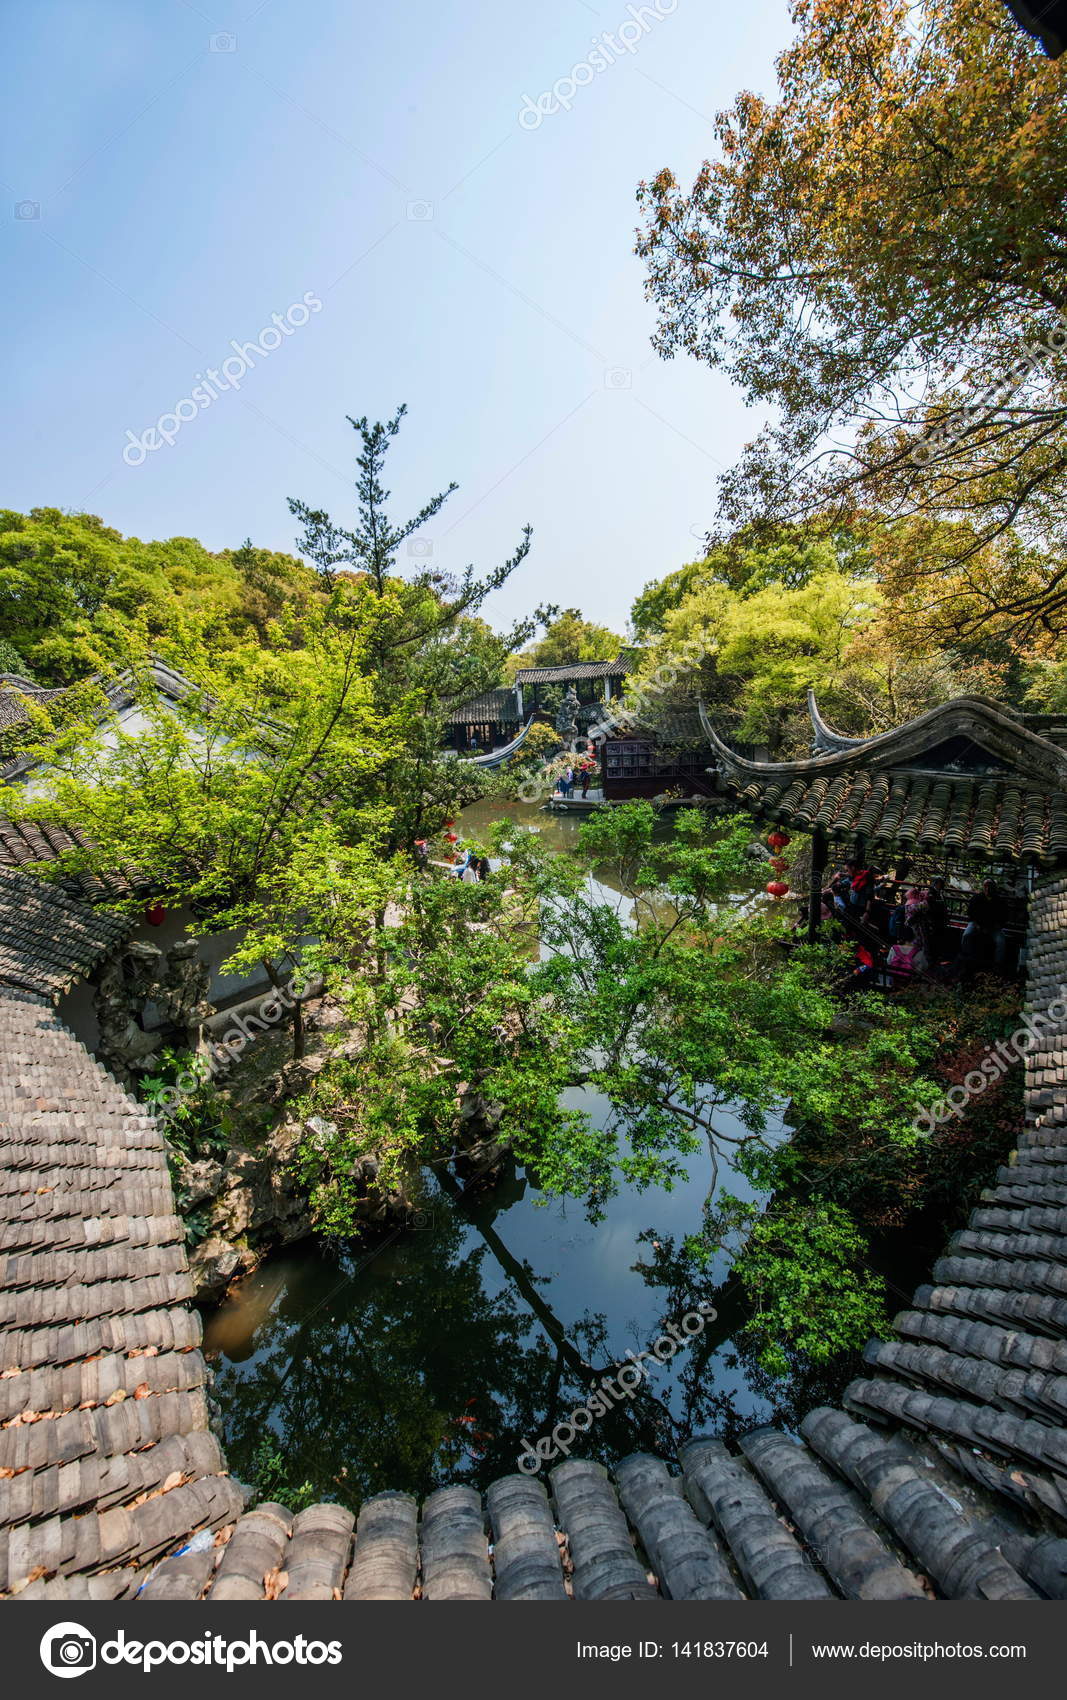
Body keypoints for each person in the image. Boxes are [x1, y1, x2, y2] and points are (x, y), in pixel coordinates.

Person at [961, 877, 1008, 968]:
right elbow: (971, 913)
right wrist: (977, 925)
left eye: (990, 886)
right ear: (983, 887)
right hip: (977, 924)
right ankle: (965, 956)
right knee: (966, 935)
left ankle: (997, 964)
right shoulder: (977, 898)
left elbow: (1004, 917)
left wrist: (996, 926)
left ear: (994, 887)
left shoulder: (999, 901)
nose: (987, 888)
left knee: (1001, 941)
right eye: (985, 886)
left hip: (993, 927)